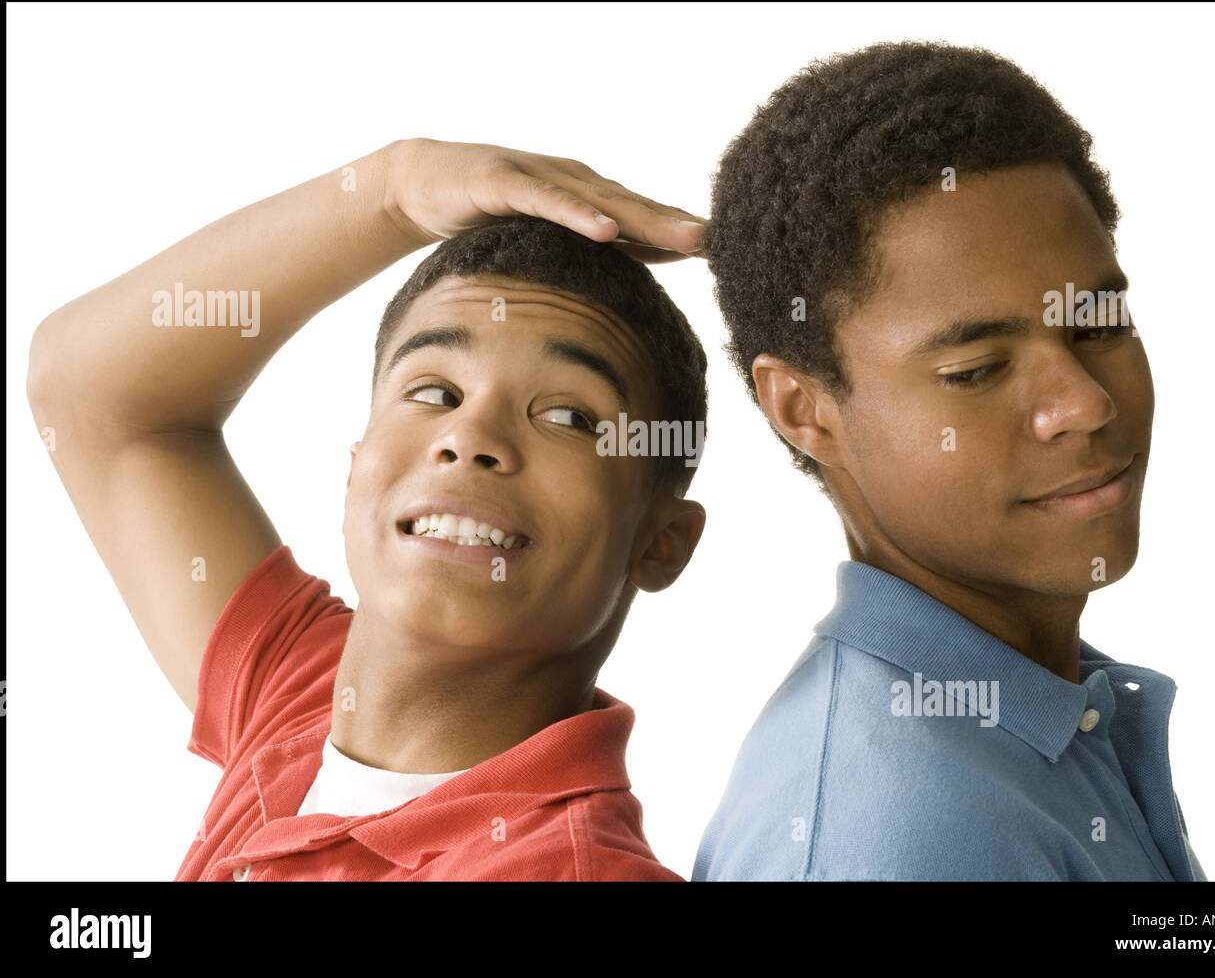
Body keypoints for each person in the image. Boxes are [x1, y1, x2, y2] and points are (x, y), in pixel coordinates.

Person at [28, 139, 708, 881]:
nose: (469, 437)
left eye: (568, 418)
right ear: (355, 474)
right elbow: (88, 393)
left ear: (662, 542)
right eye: (433, 393)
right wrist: (391, 189)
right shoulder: (296, 693)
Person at [692, 42, 1206, 881]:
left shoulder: (1037, 718)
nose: (1084, 403)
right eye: (975, 370)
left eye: (1100, 323)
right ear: (803, 410)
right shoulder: (896, 840)